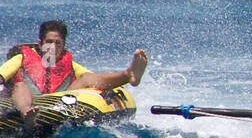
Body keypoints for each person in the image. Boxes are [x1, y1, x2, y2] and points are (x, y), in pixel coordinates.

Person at [1, 21, 148, 126]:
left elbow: (91, 78)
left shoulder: (69, 63)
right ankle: (27, 114)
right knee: (19, 85)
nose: (52, 47)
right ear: (40, 44)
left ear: (64, 45)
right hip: (26, 101)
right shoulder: (21, 58)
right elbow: (2, 74)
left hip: (57, 102)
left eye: (57, 43)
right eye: (49, 42)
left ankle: (129, 75)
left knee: (86, 78)